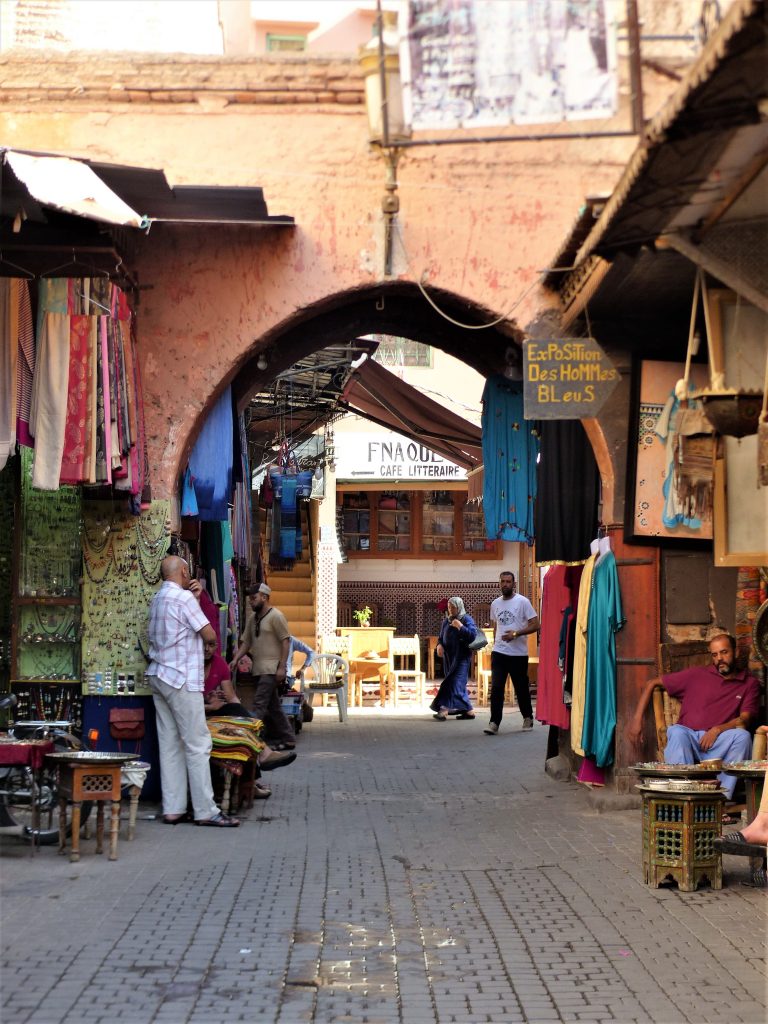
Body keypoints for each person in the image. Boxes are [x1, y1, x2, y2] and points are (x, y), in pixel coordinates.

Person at [146, 555, 239, 827]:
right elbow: (209, 634)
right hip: (181, 677)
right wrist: (197, 605)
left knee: (170, 743)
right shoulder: (183, 598)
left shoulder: (157, 599)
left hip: (159, 675)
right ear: (184, 571)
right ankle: (205, 810)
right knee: (198, 743)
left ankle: (173, 808)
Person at [628, 632, 760, 802]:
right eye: (715, 654)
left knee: (743, 736)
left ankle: (720, 800)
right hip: (689, 738)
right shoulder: (696, 675)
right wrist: (636, 720)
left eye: (724, 652)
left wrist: (717, 729)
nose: (719, 658)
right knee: (676, 732)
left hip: (719, 741)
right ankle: (685, 798)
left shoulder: (749, 683)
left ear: (735, 652)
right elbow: (651, 683)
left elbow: (745, 718)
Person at [229, 582, 296, 751]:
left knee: (259, 704)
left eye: (254, 598)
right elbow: (246, 642)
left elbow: (285, 642)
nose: (251, 602)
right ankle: (288, 739)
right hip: (258, 669)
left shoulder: (276, 616)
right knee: (273, 706)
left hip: (271, 669)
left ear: (264, 597)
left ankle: (248, 741)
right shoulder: (253, 619)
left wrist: (282, 667)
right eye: (250, 599)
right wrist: (236, 659)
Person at [484, 571, 539, 735]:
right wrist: (495, 644)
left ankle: (528, 717)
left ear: (513, 584)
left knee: (521, 687)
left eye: (508, 581)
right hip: (499, 652)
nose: (505, 584)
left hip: (518, 654)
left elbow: (536, 625)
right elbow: (496, 627)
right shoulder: (495, 604)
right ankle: (494, 722)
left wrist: (516, 634)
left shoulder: (523, 602)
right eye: (503, 581)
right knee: (497, 687)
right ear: (499, 583)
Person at [430, 596, 478, 721]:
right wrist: (439, 645)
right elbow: (441, 637)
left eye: (453, 607)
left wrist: (460, 626)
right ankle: (469, 712)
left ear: (459, 607)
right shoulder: (446, 621)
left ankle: (444, 709)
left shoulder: (466, 619)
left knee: (451, 682)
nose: (450, 609)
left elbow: (473, 636)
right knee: (458, 685)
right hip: (448, 658)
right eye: (449, 607)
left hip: (461, 657)